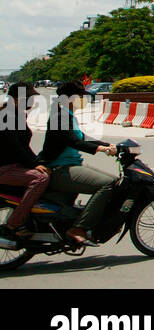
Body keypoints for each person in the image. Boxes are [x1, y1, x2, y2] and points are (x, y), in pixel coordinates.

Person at [40, 82, 118, 246]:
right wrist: (102, 149)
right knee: (108, 184)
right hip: (60, 169)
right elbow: (73, 141)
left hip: (70, 166)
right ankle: (80, 228)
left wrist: (109, 145)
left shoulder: (67, 114)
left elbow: (82, 137)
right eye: (80, 96)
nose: (83, 99)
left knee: (115, 182)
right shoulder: (59, 116)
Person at [0, 82, 49, 243]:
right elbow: (15, 146)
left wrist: (39, 162)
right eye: (28, 98)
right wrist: (34, 165)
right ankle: (14, 224)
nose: (32, 102)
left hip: (14, 165)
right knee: (40, 178)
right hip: (4, 168)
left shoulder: (18, 115)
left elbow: (24, 147)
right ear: (15, 99)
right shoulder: (7, 116)